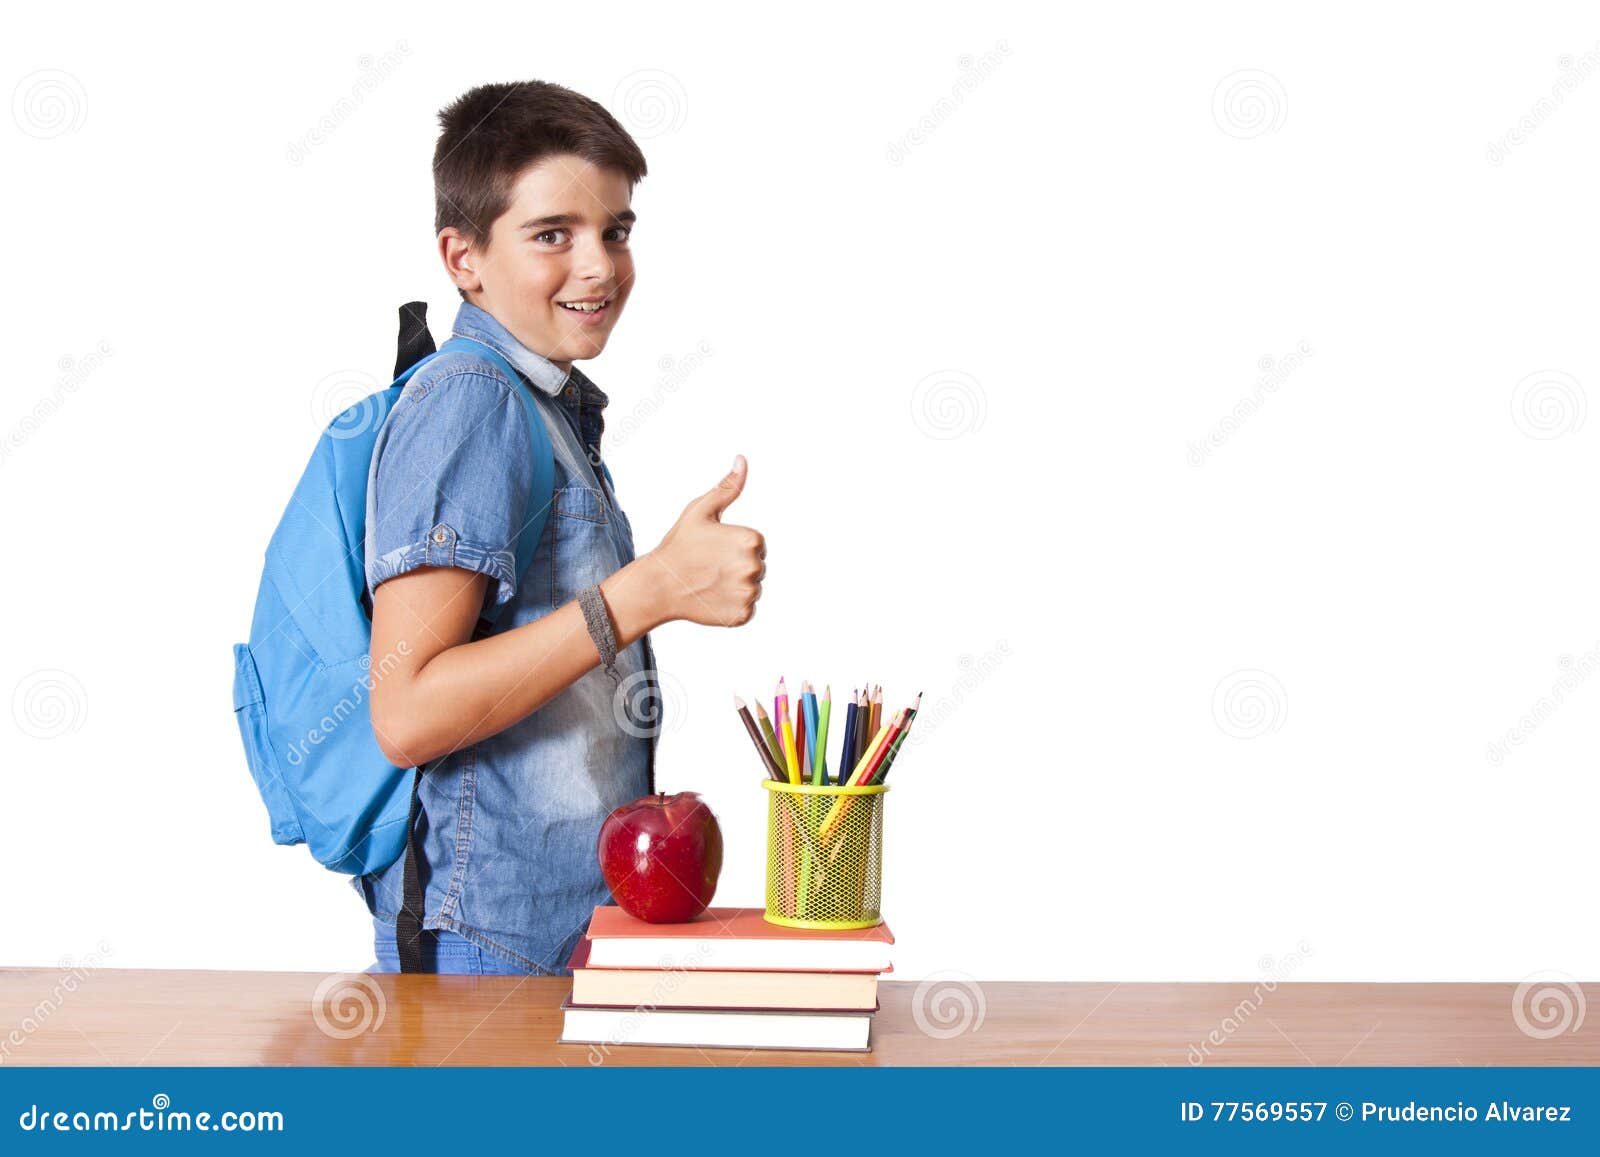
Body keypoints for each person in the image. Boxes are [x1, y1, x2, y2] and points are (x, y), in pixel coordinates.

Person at [360, 80, 765, 974]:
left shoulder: (543, 408)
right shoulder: (473, 399)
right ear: (463, 257)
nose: (599, 267)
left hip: (554, 934)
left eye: (615, 231)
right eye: (553, 234)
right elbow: (407, 710)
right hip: (491, 947)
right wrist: (648, 590)